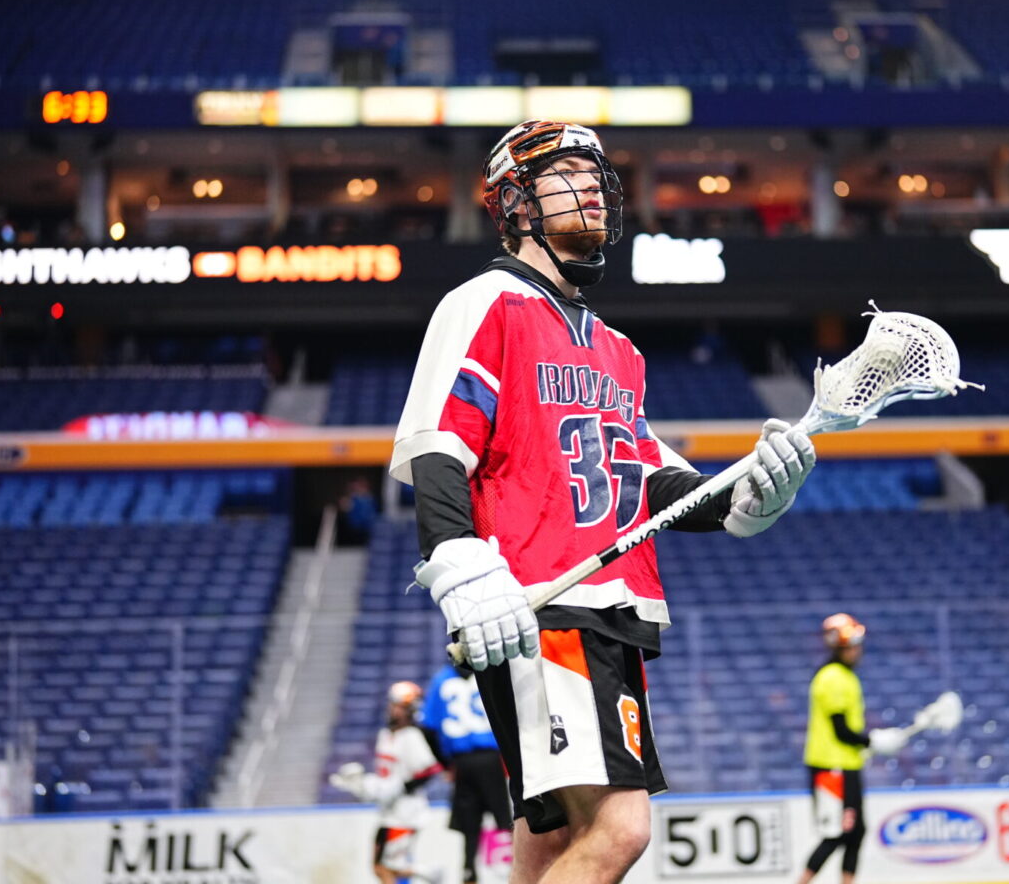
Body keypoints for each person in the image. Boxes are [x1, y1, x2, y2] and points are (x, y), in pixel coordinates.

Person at [391, 119, 817, 884]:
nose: (592, 185)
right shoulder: (487, 301)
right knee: (620, 827)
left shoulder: (618, 350)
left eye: (597, 176)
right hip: (545, 603)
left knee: (550, 844)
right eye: (566, 174)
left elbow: (653, 482)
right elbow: (438, 444)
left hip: (610, 611)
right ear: (517, 203)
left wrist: (753, 493)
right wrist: (457, 561)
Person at [796, 613, 906, 884]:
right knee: (836, 833)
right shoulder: (832, 678)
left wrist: (866, 745)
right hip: (831, 768)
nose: (857, 651)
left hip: (846, 765)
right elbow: (841, 730)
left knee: (855, 832)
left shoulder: (844, 677)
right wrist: (873, 742)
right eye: (851, 646)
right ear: (839, 647)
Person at [329, 680, 447, 884]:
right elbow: (385, 774)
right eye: (392, 705)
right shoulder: (385, 735)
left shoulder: (411, 736)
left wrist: (400, 788)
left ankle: (428, 873)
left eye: (399, 706)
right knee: (378, 867)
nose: (393, 710)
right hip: (388, 812)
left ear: (410, 709)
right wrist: (363, 784)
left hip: (406, 812)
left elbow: (428, 770)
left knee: (388, 867)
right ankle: (427, 873)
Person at [423, 661, 513, 884]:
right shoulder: (489, 671)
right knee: (506, 821)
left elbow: (428, 727)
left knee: (470, 827)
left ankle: (469, 873)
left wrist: (445, 763)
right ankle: (517, 870)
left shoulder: (441, 679)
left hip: (461, 762)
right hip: (492, 759)